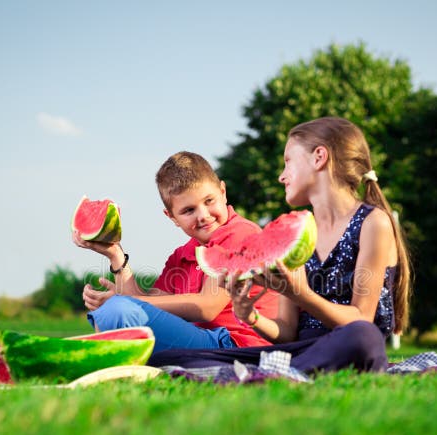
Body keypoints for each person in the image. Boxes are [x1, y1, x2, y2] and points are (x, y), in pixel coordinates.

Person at [148, 117, 411, 373]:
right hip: (300, 351)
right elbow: (286, 333)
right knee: (176, 356)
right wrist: (251, 317)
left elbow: (361, 318)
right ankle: (281, 368)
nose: (281, 176)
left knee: (362, 336)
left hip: (351, 342)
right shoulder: (299, 233)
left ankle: (270, 370)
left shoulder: (374, 222)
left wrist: (301, 294)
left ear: (319, 157)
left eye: (288, 162)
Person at [73, 151, 277, 353]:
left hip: (237, 344)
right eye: (189, 210)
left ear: (223, 192)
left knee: (118, 310)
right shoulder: (182, 255)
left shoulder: (242, 233)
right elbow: (148, 307)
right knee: (117, 311)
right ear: (171, 217)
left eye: (209, 201)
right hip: (205, 341)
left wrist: (125, 302)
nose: (203, 216)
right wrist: (115, 254)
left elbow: (208, 307)